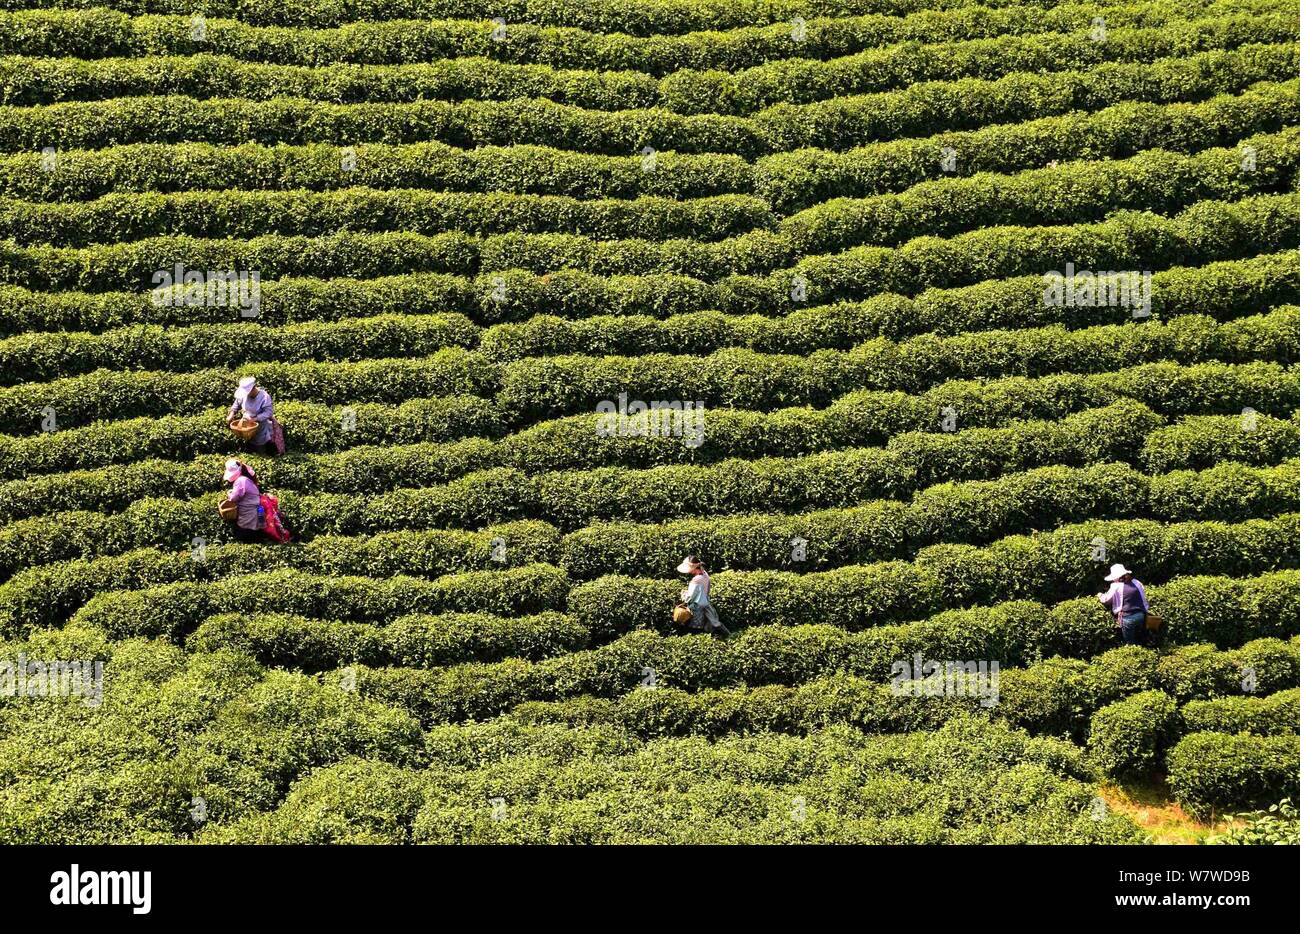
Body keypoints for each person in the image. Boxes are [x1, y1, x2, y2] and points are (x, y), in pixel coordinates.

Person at [677, 555, 730, 639]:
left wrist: (683, 594)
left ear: (694, 567)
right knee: (704, 627)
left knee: (695, 630)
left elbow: (689, 597)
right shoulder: (705, 574)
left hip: (697, 608)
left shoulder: (696, 580)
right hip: (705, 603)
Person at [226, 376, 281, 455]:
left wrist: (255, 419)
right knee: (248, 445)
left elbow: (268, 412)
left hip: (260, 426)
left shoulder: (264, 397)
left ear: (253, 389)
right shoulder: (244, 395)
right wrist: (231, 414)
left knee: (259, 447)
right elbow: (236, 404)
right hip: (246, 425)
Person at [1097, 563, 1149, 646]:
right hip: (1142, 615)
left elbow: (1106, 600)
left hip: (1128, 619)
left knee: (1130, 643)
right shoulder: (1136, 582)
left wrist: (1100, 595)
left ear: (1116, 577)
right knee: (1139, 636)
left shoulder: (1116, 586)